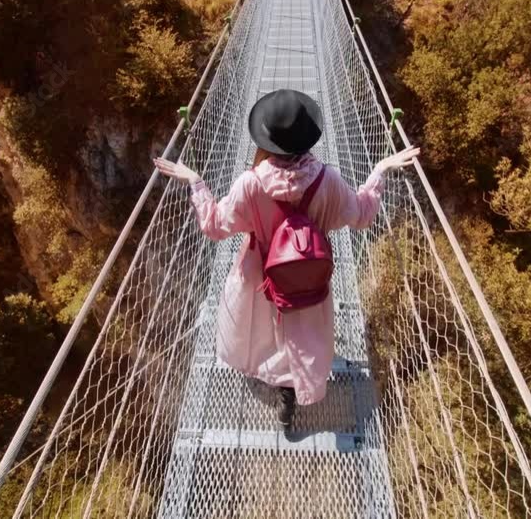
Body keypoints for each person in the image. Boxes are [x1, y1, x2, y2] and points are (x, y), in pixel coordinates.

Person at [154, 89, 419, 427]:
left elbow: (215, 226)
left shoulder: (249, 184)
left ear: (266, 141)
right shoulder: (328, 179)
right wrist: (380, 169)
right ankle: (292, 391)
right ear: (307, 140)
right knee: (301, 332)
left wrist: (196, 182)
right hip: (307, 271)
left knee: (262, 330)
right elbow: (362, 215)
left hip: (260, 274)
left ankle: (275, 381)